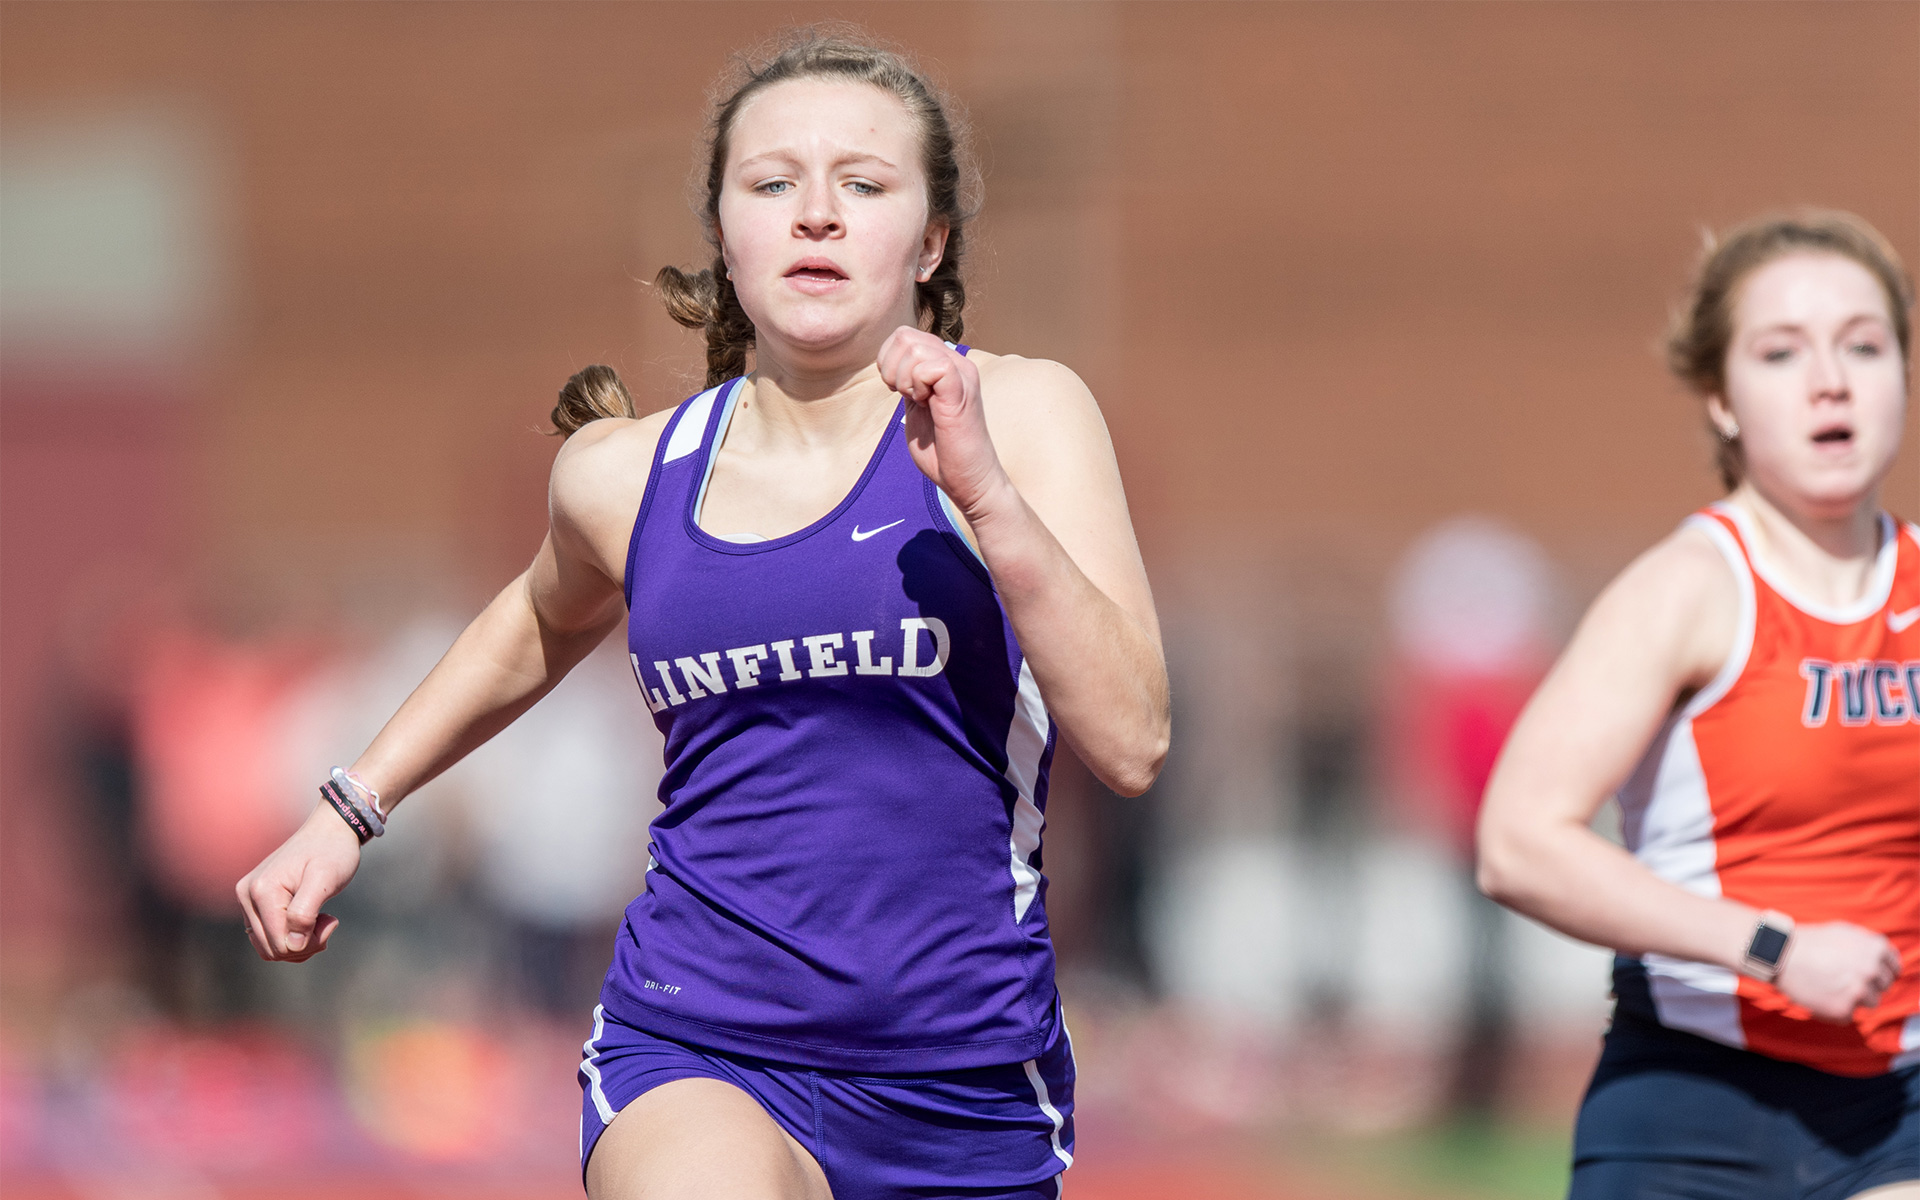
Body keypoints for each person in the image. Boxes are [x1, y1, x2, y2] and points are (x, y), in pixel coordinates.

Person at [235, 31, 1169, 1200]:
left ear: (930, 240)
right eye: (773, 184)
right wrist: (349, 810)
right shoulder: (626, 475)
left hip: (960, 1080)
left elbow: (1131, 740)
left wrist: (985, 498)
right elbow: (534, 622)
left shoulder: (1029, 416)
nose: (815, 215)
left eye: (863, 185)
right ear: (725, 236)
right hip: (696, 1045)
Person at [1477, 210, 1918, 1200]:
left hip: (1899, 1107)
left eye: (1864, 344)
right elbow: (1516, 843)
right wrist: (1770, 948)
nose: (1831, 380)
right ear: (1722, 398)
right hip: (1695, 1108)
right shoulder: (1688, 589)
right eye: (1782, 352)